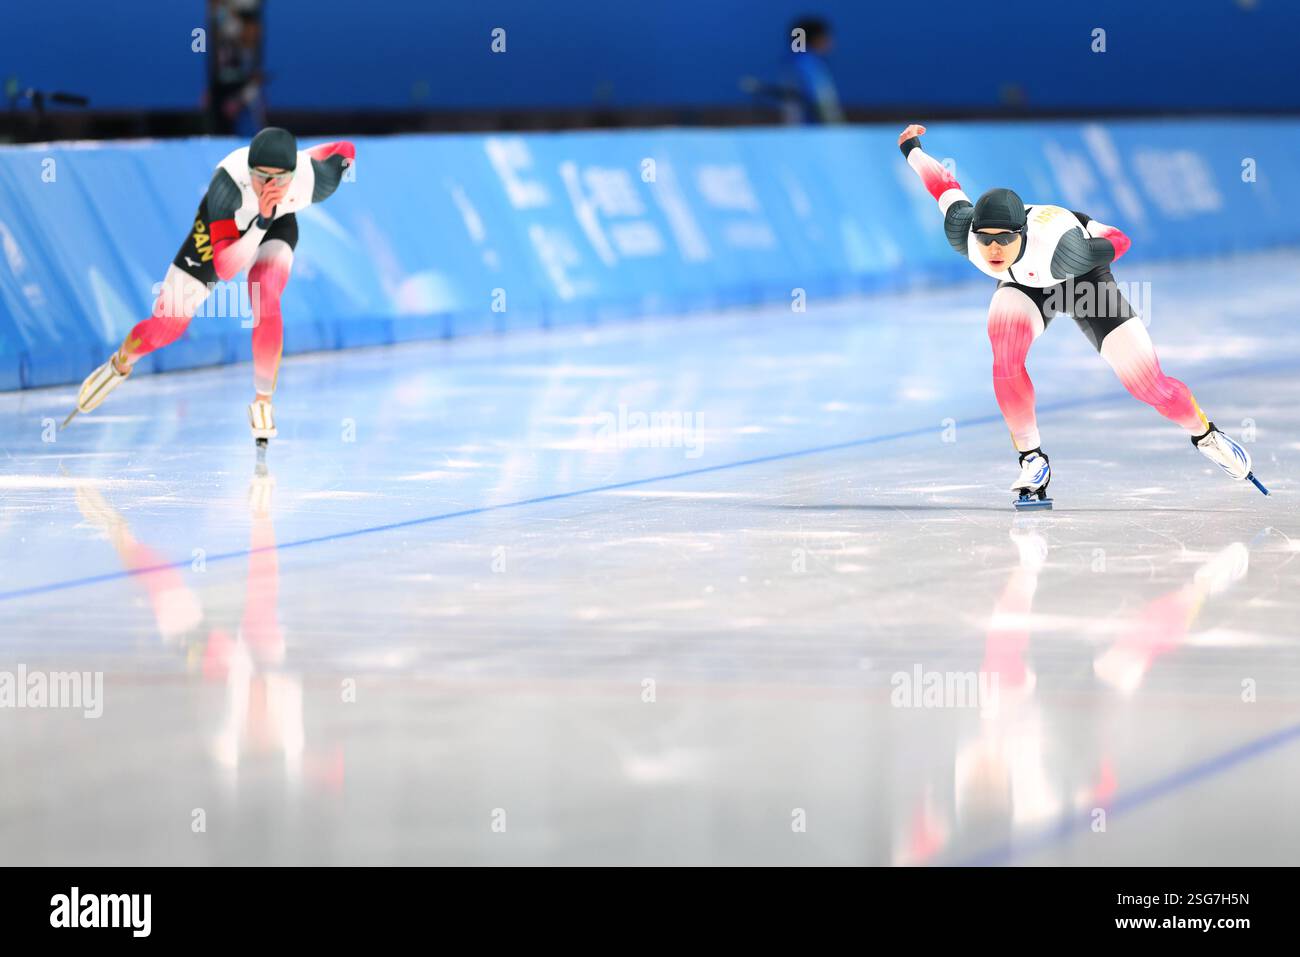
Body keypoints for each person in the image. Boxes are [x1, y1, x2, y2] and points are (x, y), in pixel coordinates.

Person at [897, 123, 1266, 507]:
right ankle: (1032, 459)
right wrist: (912, 148)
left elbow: (1121, 240)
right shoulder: (964, 234)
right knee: (1005, 349)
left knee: (1147, 385)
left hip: (1080, 275)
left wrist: (1093, 246)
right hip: (1024, 285)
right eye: (985, 237)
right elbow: (943, 186)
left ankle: (1205, 434)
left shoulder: (1062, 247)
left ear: (1021, 233)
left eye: (1004, 238)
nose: (993, 248)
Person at [69, 127, 355, 443]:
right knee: (167, 327)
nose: (269, 187)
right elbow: (226, 268)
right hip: (222, 232)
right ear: (249, 170)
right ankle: (121, 362)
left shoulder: (316, 180)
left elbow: (344, 148)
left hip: (275, 224)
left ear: (294, 172)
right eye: (261, 177)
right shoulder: (228, 183)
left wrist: (271, 212)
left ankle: (262, 402)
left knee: (266, 296)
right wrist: (259, 220)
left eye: (279, 179)